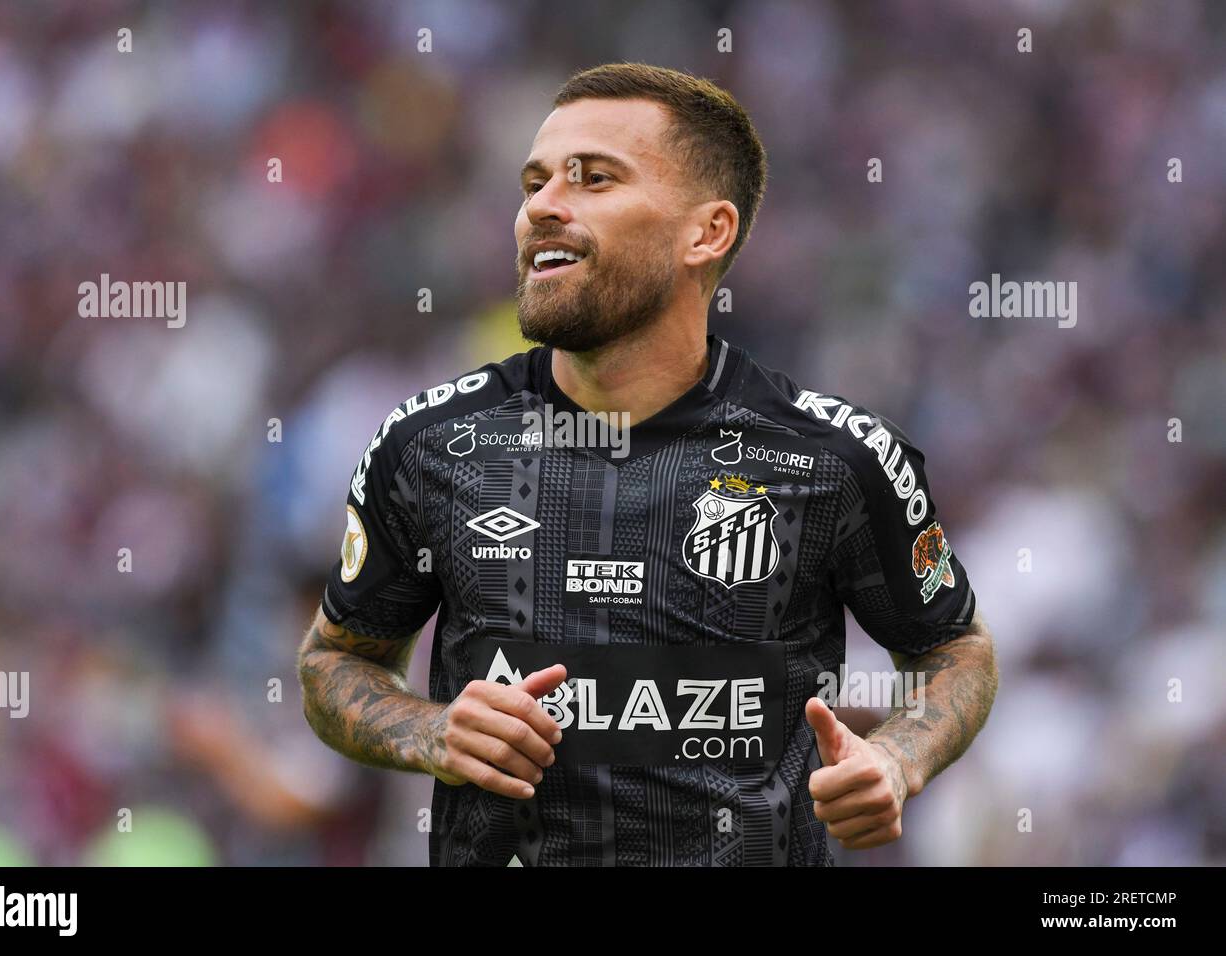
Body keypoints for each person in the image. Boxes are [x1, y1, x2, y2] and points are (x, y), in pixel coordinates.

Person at [297, 62, 998, 866]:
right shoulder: (430, 445)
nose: (540, 208)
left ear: (708, 232)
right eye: (533, 183)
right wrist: (430, 729)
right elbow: (333, 662)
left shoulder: (834, 457)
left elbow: (954, 651)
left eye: (594, 179)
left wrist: (898, 759)